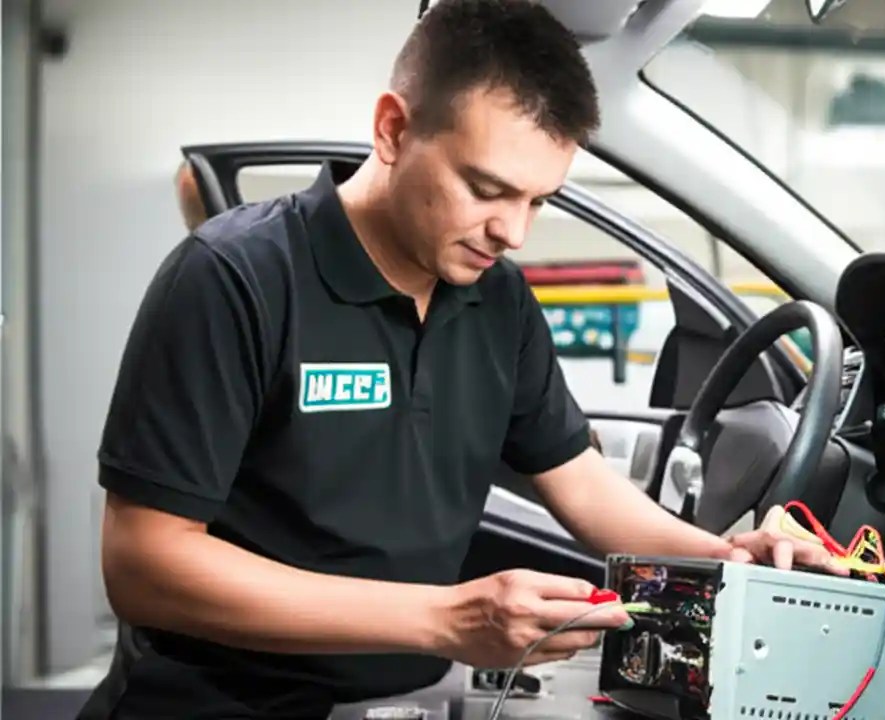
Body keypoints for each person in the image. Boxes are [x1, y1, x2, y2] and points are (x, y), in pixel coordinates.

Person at [79, 2, 843, 718]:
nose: (513, 231)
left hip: (396, 703)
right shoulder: (234, 278)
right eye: (486, 189)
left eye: (539, 201)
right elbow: (145, 565)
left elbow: (580, 484)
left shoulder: (499, 302)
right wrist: (448, 618)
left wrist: (728, 560)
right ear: (392, 130)